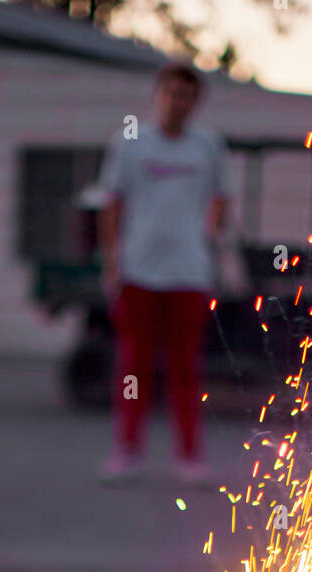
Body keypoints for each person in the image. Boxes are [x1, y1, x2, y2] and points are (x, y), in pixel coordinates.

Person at [98, 62, 231, 486]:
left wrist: (210, 238)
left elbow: (220, 199)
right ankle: (127, 451)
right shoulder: (130, 141)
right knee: (134, 367)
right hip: (138, 270)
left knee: (185, 367)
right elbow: (112, 202)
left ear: (196, 102)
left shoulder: (209, 146)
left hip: (190, 274)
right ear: (159, 94)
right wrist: (112, 260)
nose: (178, 102)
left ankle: (189, 457)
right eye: (171, 93)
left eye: (187, 95)